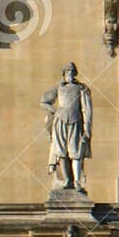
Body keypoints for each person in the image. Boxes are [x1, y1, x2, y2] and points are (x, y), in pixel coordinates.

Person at [41, 62, 93, 193]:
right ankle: (67, 179)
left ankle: (77, 181)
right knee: (60, 151)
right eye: (67, 71)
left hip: (76, 121)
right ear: (64, 73)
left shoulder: (81, 88)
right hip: (60, 122)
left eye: (72, 71)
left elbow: (87, 110)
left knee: (76, 152)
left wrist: (87, 129)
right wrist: (54, 111)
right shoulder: (59, 87)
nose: (70, 73)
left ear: (75, 73)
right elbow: (44, 101)